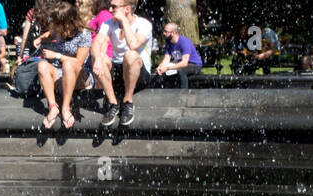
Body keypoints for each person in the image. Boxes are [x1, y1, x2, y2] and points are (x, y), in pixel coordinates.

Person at [91, 0, 152, 128]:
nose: (110, 10)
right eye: (110, 6)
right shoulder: (108, 24)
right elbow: (96, 43)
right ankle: (113, 103)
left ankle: (128, 101)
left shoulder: (144, 24)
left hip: (138, 72)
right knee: (100, 56)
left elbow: (133, 45)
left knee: (130, 54)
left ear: (127, 9)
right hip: (118, 72)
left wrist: (124, 22)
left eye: (114, 7)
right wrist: (97, 58)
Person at [36, 0, 91, 129]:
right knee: (42, 65)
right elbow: (49, 34)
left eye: (56, 23)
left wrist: (57, 56)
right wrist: (39, 39)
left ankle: (65, 108)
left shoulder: (84, 34)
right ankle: (53, 107)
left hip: (81, 76)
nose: (53, 25)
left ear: (66, 22)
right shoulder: (60, 30)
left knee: (67, 64)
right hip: (62, 75)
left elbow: (79, 62)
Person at [155, 20, 201, 89]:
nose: (164, 33)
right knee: (160, 72)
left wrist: (167, 68)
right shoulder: (169, 42)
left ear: (173, 33)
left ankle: (183, 94)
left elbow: (184, 63)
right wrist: (160, 67)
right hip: (180, 64)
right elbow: (167, 59)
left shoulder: (184, 42)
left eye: (166, 31)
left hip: (194, 65)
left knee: (181, 71)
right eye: (164, 31)